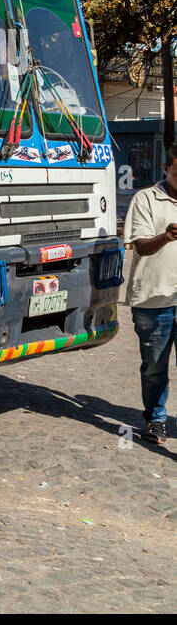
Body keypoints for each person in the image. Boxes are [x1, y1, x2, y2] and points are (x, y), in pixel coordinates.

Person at [122, 144, 177, 444]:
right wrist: (166, 237)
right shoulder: (146, 199)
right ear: (166, 169)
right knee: (155, 366)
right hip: (154, 300)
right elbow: (140, 246)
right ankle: (156, 419)